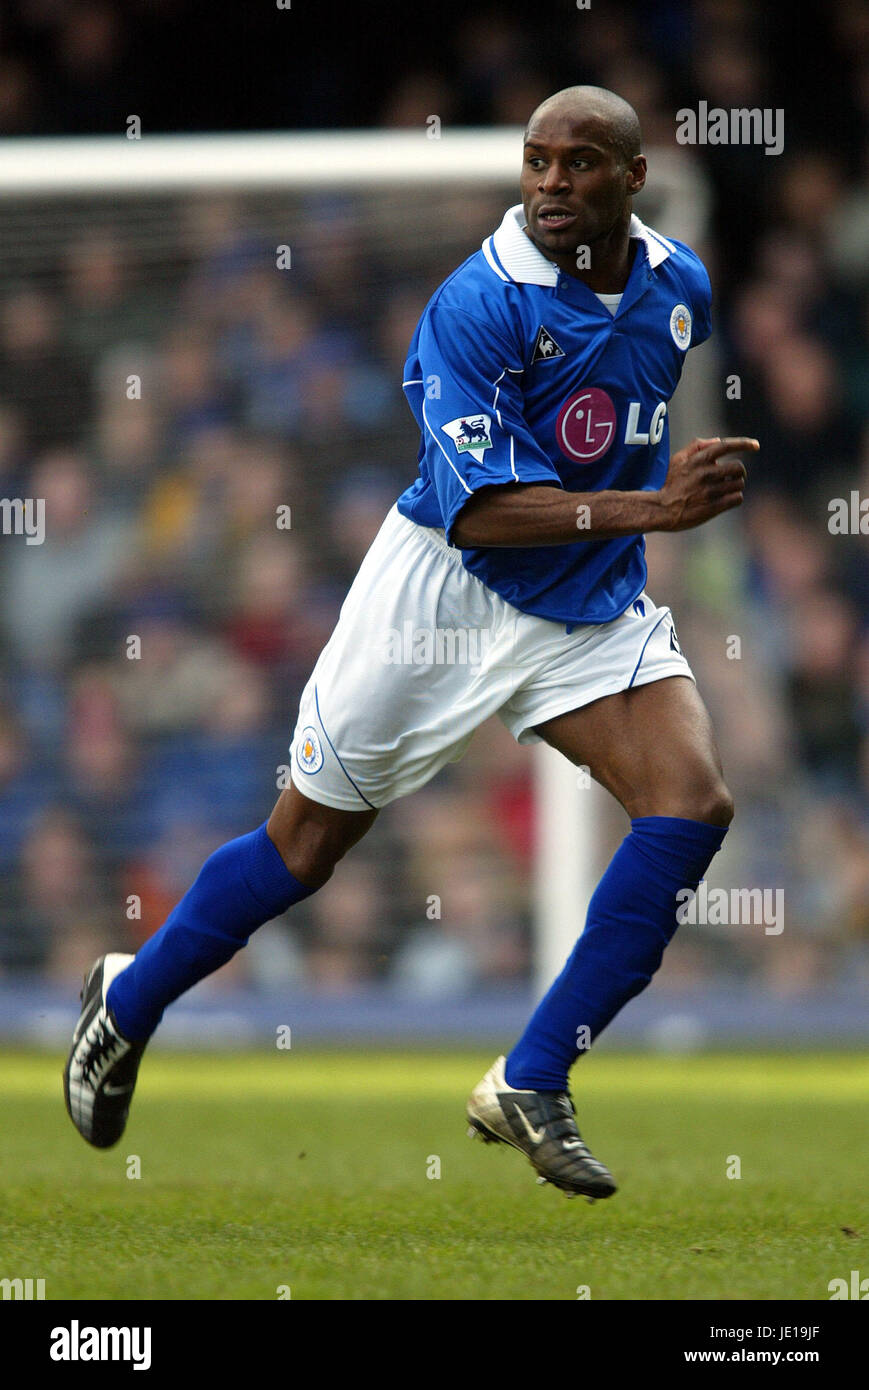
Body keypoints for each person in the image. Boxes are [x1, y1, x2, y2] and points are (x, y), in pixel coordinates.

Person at [64, 86, 758, 1200]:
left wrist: (658, 504)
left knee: (691, 802)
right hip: (441, 594)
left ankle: (531, 1079)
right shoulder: (476, 305)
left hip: (582, 602)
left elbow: (619, 430)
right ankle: (127, 1001)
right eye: (535, 161)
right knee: (302, 852)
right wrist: (652, 511)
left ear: (631, 180)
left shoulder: (678, 285)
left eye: (579, 164)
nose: (548, 184)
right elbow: (481, 512)